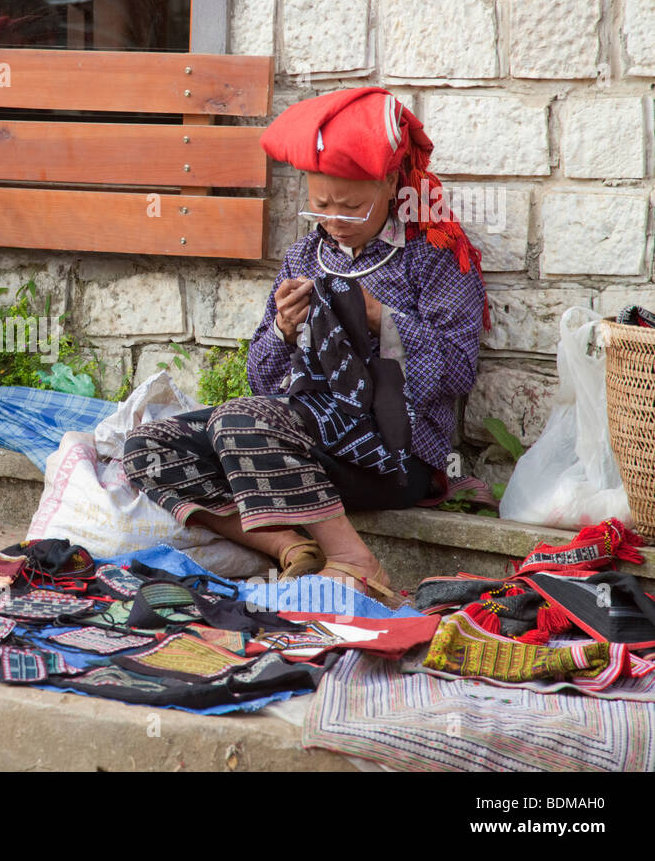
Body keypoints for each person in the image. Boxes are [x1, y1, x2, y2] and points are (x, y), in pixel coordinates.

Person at [122, 87, 487, 602]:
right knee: (147, 446)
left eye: (352, 205)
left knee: (239, 421)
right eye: (320, 205)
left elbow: (456, 371)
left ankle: (355, 559)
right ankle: (288, 547)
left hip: (393, 457)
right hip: (301, 437)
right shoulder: (305, 256)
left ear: (389, 183)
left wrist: (381, 316)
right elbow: (264, 382)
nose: (335, 219)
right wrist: (282, 330)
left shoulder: (432, 256)